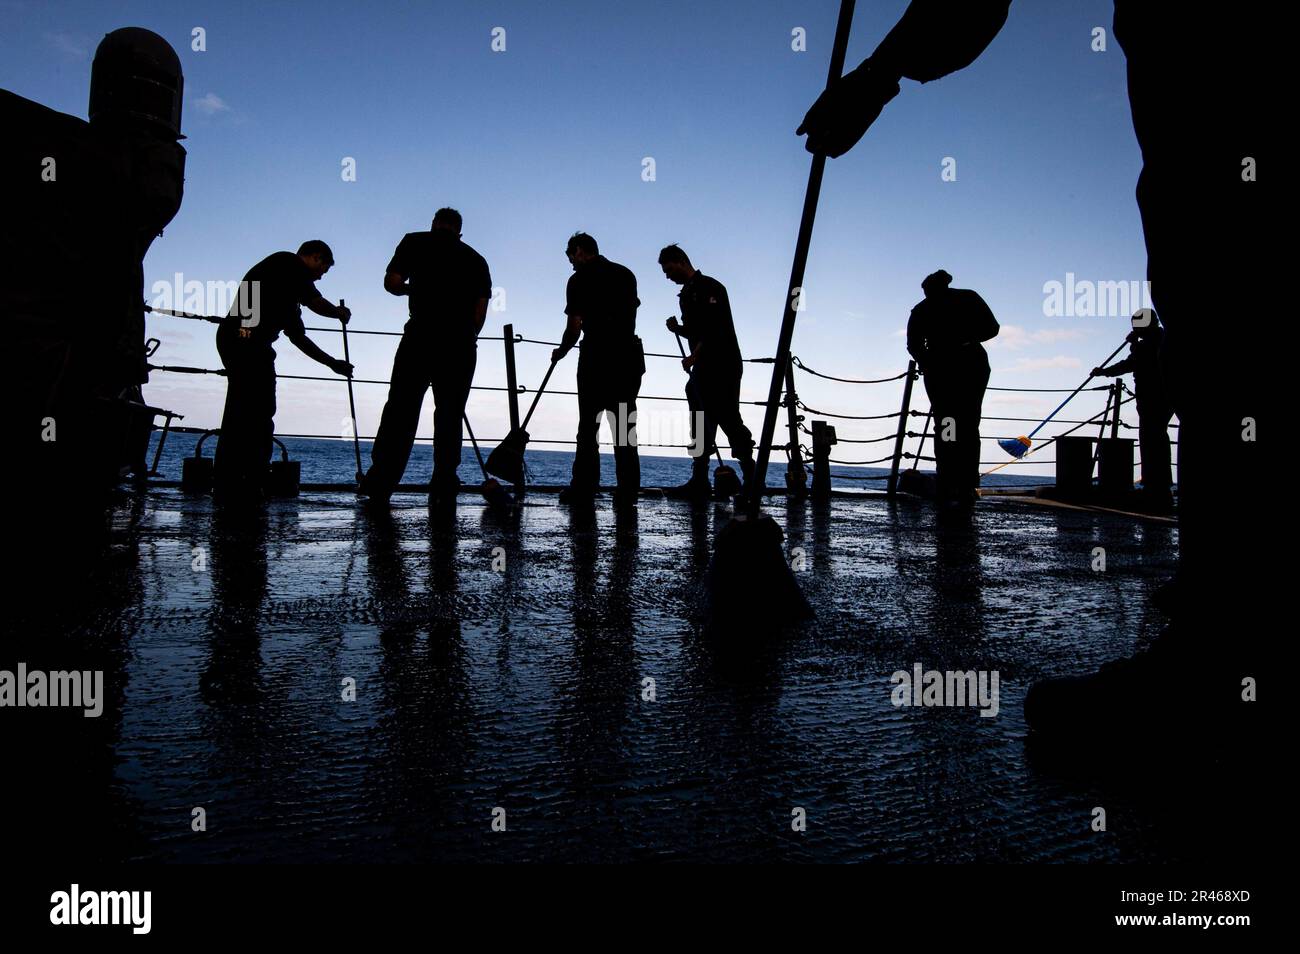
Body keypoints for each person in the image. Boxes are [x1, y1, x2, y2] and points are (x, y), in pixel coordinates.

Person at [795, 1, 1262, 744]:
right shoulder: (926, 313)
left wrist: (878, 76)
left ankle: (1228, 650)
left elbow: (985, 327)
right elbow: (917, 339)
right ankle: (1226, 617)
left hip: (1205, 85)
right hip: (947, 369)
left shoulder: (963, 303)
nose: (936, 290)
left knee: (1223, 297)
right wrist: (923, 353)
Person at [359, 208, 491, 507]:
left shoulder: (414, 242)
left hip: (420, 337)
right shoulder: (476, 259)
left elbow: (391, 282)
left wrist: (413, 289)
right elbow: (479, 314)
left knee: (401, 410)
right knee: (450, 413)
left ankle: (381, 481)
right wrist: (468, 338)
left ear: (434, 225)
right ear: (459, 231)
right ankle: (444, 483)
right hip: (460, 343)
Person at [214, 240, 352, 497]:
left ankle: (236, 475)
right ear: (315, 257)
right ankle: (246, 476)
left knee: (246, 410)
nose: (321, 277)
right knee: (255, 411)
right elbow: (316, 302)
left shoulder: (286, 293)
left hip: (244, 342)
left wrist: (333, 363)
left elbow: (299, 338)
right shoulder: (287, 263)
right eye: (323, 269)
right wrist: (338, 313)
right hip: (247, 343)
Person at [551, 233, 644, 510]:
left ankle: (584, 487)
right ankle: (628, 491)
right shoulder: (626, 274)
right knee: (625, 428)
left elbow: (574, 327)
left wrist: (562, 350)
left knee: (588, 427)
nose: (570, 263)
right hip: (627, 358)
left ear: (580, 251)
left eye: (571, 257)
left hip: (595, 359)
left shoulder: (578, 280)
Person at [660, 244, 755, 500]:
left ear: (680, 261)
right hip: (702, 367)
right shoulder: (687, 295)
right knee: (701, 418)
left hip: (722, 364)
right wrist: (678, 329)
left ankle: (752, 479)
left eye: (669, 270)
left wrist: (694, 355)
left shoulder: (711, 288)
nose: (668, 277)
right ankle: (699, 479)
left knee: (727, 415)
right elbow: (697, 329)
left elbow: (715, 328)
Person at [906, 270, 998, 507]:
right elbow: (991, 328)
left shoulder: (923, 309)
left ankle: (951, 481)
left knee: (949, 424)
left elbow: (913, 346)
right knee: (966, 424)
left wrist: (931, 362)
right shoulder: (967, 298)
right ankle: (964, 483)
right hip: (964, 364)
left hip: (949, 367)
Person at [1091, 309, 1173, 512]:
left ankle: (1156, 488)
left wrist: (1105, 371)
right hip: (1161, 398)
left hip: (1153, 398)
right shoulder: (1161, 339)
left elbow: (1134, 363)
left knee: (1152, 440)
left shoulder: (1151, 344)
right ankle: (1159, 487)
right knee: (1157, 439)